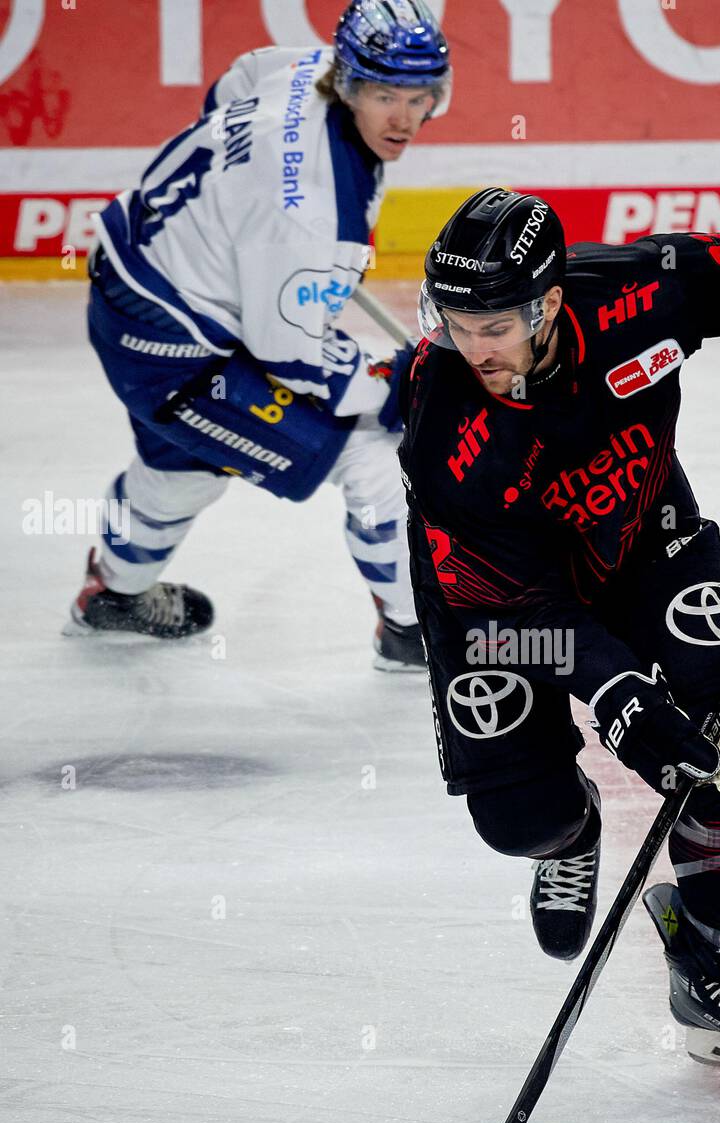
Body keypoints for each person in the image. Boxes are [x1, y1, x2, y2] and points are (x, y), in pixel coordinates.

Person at [398, 188, 720, 1075]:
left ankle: (711, 965)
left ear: (550, 303)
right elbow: (509, 613)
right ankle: (571, 834)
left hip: (646, 538)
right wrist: (618, 691)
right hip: (498, 614)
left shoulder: (642, 291)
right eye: (454, 322)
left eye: (495, 324)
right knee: (520, 819)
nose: (471, 347)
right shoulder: (444, 426)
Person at [68, 0, 451, 670]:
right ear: (350, 80)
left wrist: (233, 209)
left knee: (183, 465)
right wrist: (398, 380)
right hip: (177, 348)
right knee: (374, 451)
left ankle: (114, 592)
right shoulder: (309, 211)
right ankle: (413, 633)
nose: (403, 118)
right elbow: (290, 353)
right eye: (384, 94)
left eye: (420, 97)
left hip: (131, 286)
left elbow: (234, 83)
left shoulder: (300, 68)